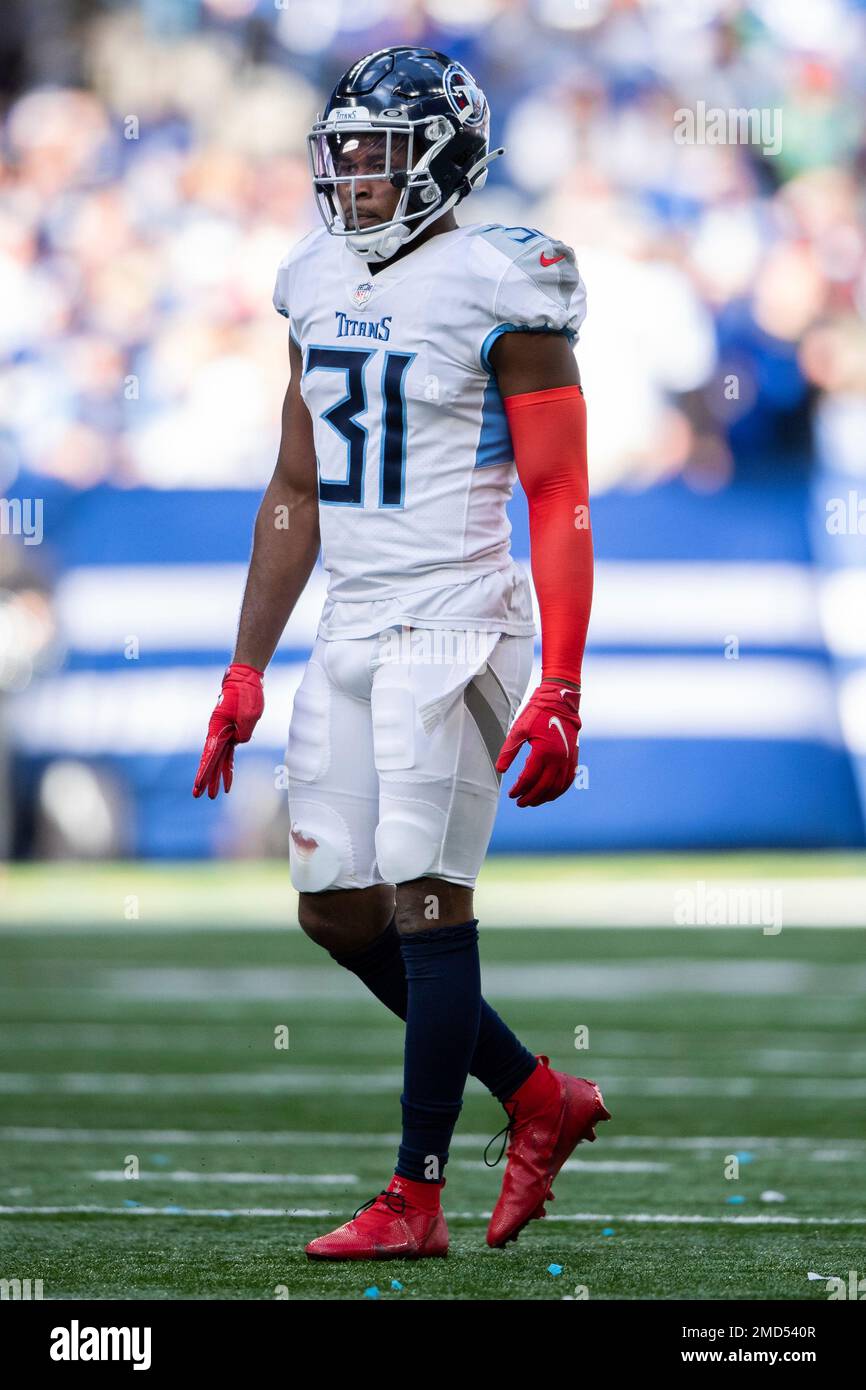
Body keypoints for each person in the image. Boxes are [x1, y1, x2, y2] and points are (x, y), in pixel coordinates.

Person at [194, 46, 609, 1259]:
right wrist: (243, 665)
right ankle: (538, 1096)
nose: (353, 178)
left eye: (376, 155)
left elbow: (560, 492)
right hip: (352, 620)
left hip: (460, 620)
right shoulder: (314, 275)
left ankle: (412, 1196)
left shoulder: (501, 283)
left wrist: (562, 682)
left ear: (439, 161)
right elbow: (291, 482)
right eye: (344, 155)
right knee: (335, 909)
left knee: (430, 901)